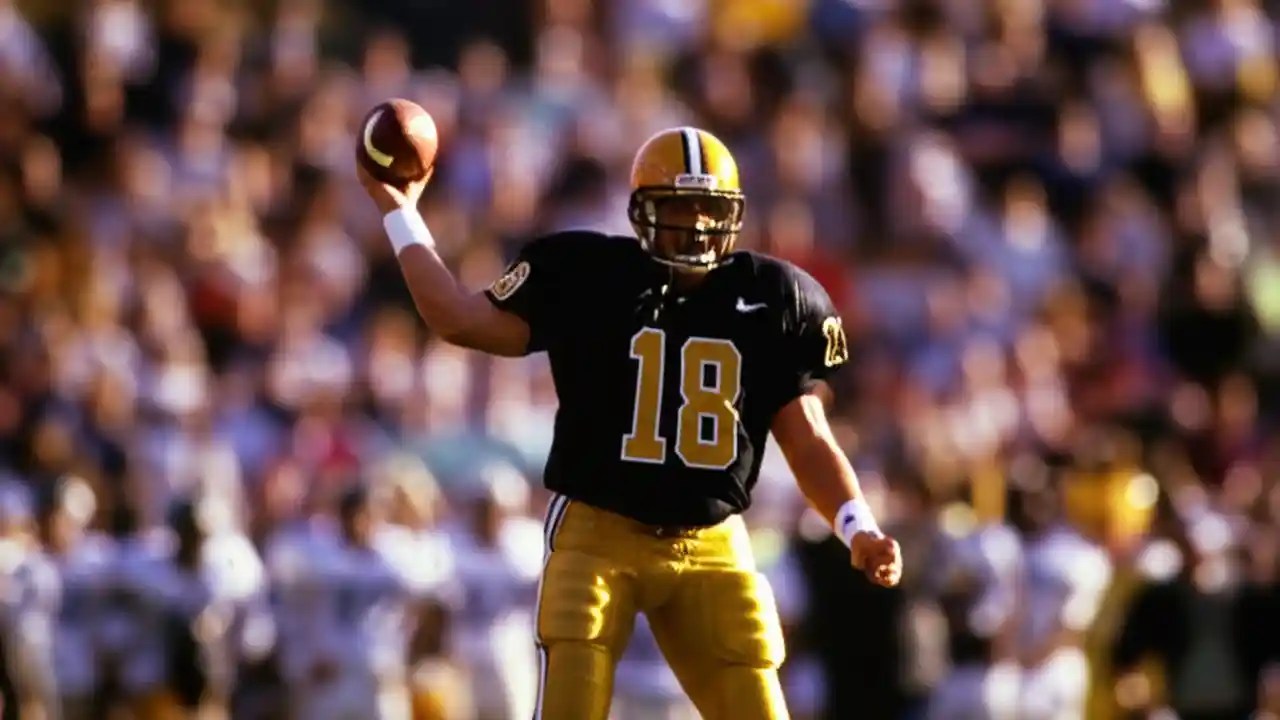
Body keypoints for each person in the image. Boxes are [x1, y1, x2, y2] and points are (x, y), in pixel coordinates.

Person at [358, 124, 904, 719]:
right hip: (600, 532)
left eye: (707, 207)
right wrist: (400, 210)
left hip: (710, 540)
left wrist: (858, 527)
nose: (696, 224)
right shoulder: (587, 273)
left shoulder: (774, 298)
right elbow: (458, 319)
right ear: (643, 211)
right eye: (679, 207)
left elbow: (808, 437)